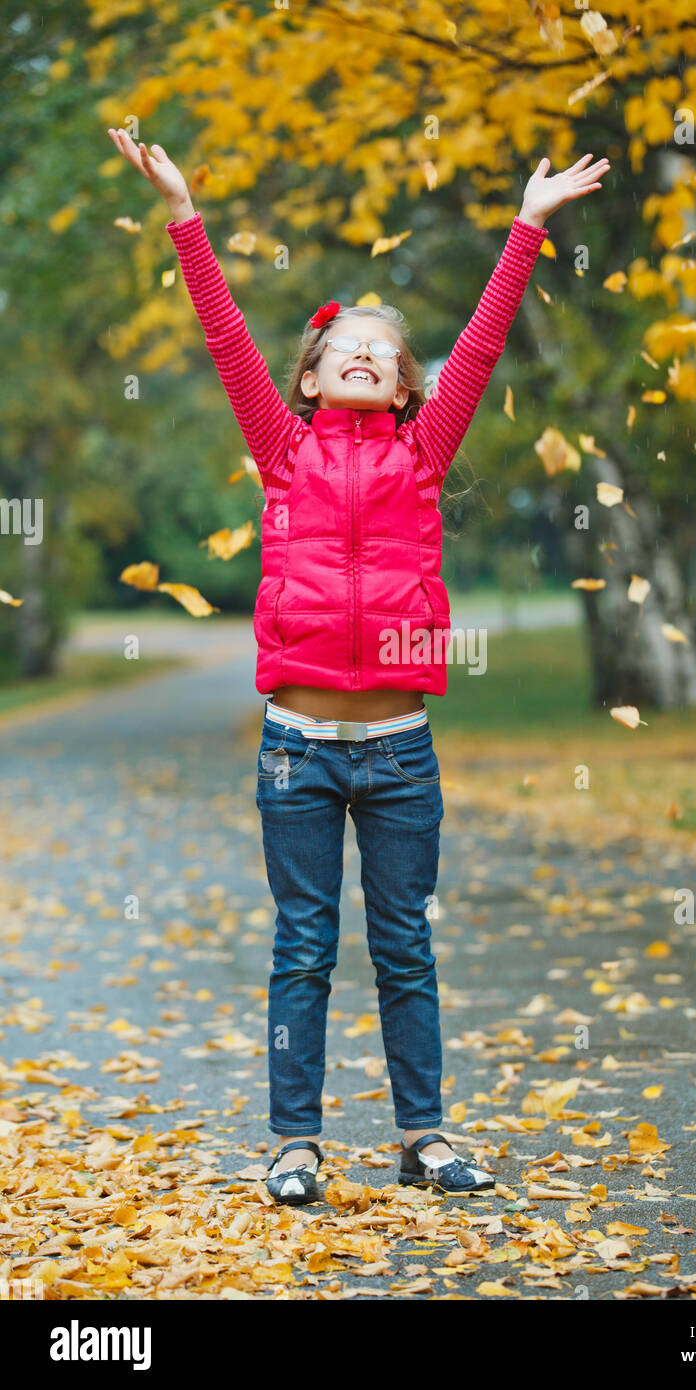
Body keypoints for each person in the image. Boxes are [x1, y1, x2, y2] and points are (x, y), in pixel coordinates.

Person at [107, 127, 610, 1203]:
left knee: (403, 952)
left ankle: (424, 1139)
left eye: (386, 347)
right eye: (348, 345)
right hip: (294, 752)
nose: (368, 351)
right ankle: (297, 1144)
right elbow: (226, 331)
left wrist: (526, 224)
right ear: (312, 374)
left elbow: (478, 341)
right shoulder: (281, 450)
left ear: (402, 384)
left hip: (397, 754)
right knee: (300, 951)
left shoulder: (422, 454)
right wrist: (185, 209)